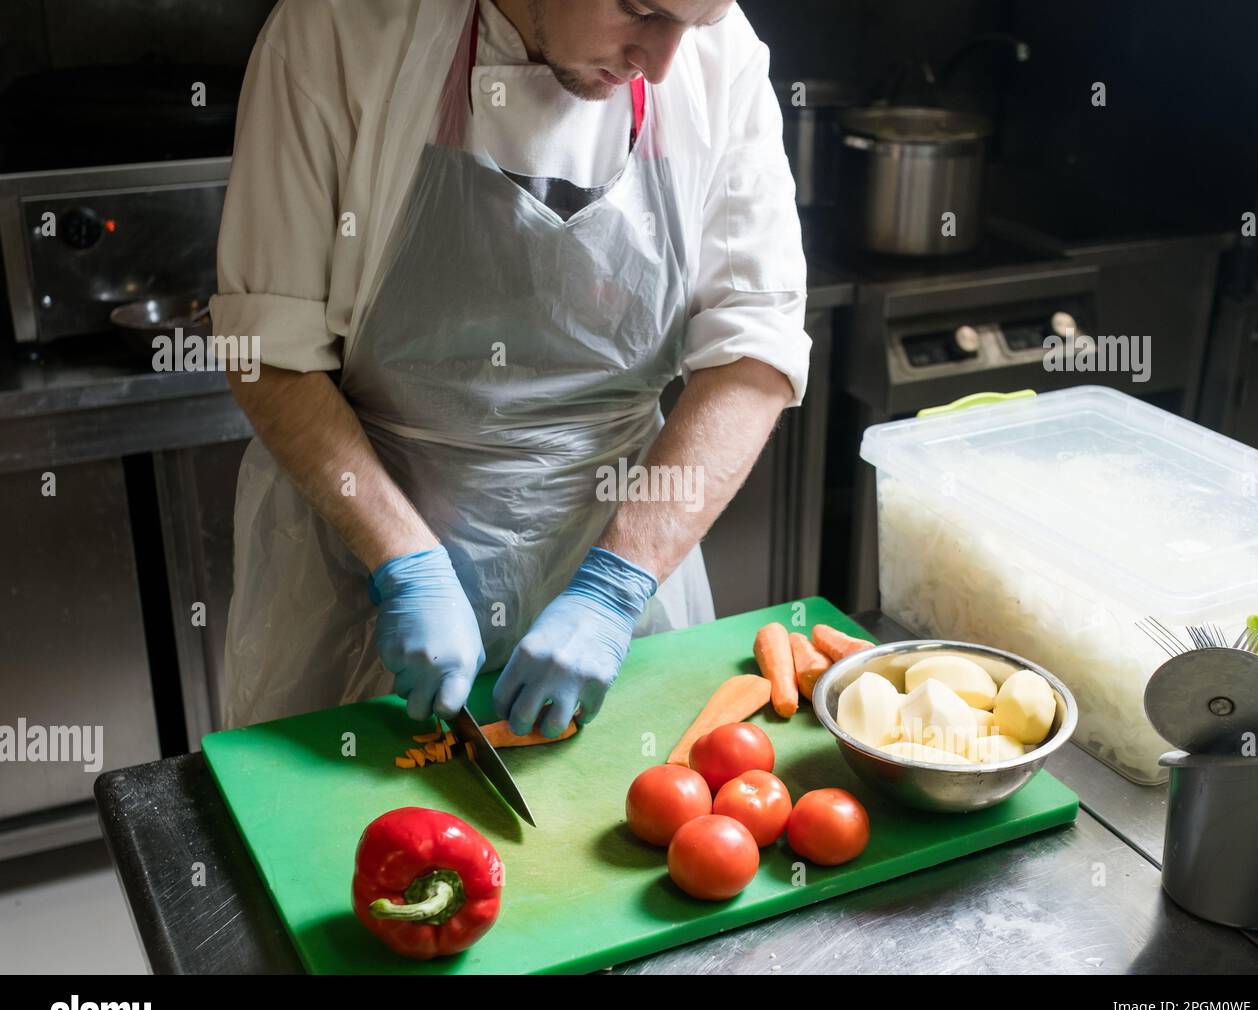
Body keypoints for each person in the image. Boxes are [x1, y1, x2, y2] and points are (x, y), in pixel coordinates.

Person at [213, 0, 810, 737]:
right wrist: (404, 565)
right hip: (358, 599)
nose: (661, 61)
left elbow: (754, 349)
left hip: (617, 601)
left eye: (696, 23)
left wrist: (616, 586)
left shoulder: (718, 58)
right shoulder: (336, 33)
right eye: (640, 10)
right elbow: (270, 350)